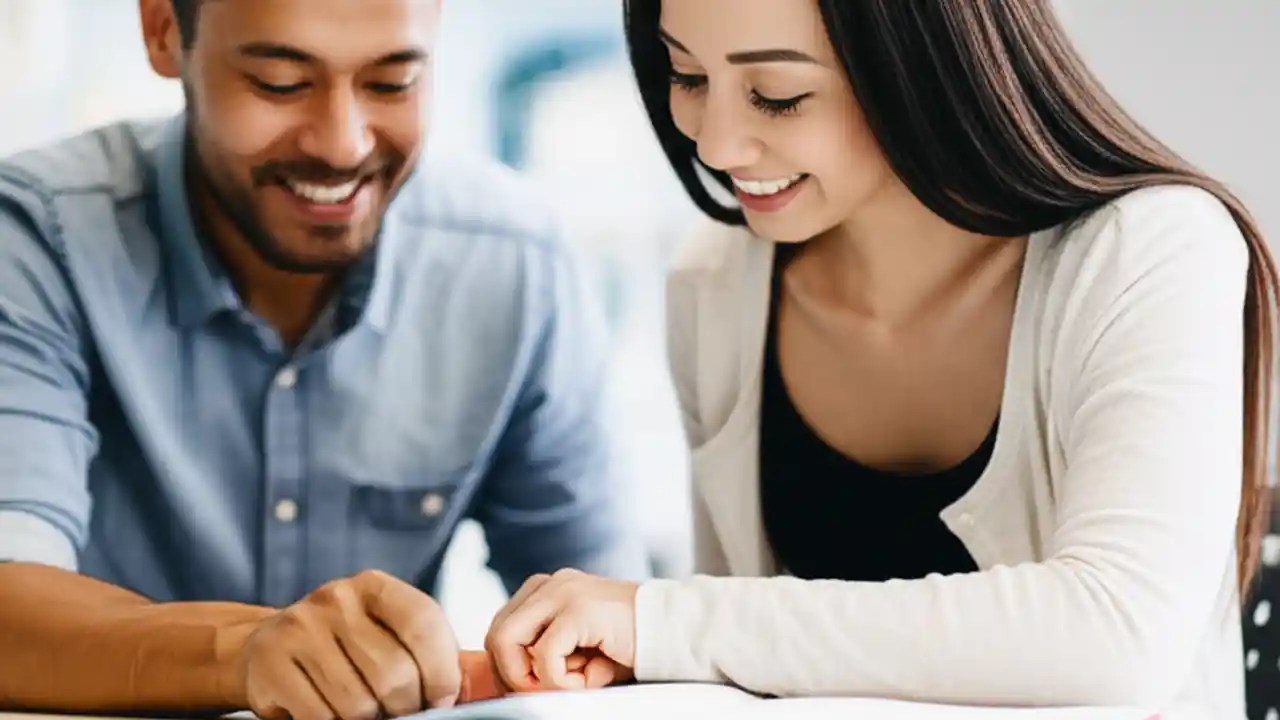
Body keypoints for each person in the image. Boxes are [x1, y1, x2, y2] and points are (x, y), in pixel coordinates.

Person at [483, 1, 1278, 717]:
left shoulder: (1151, 248)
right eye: (686, 74)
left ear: (926, 66)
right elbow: (725, 672)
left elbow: (1117, 635)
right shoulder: (717, 282)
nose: (716, 141)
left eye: (778, 94)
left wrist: (659, 620)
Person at [0, 0, 646, 717]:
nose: (342, 145)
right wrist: (248, 652)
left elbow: (606, 626)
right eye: (279, 84)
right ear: (163, 32)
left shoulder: (514, 267)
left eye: (392, 84)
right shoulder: (35, 241)